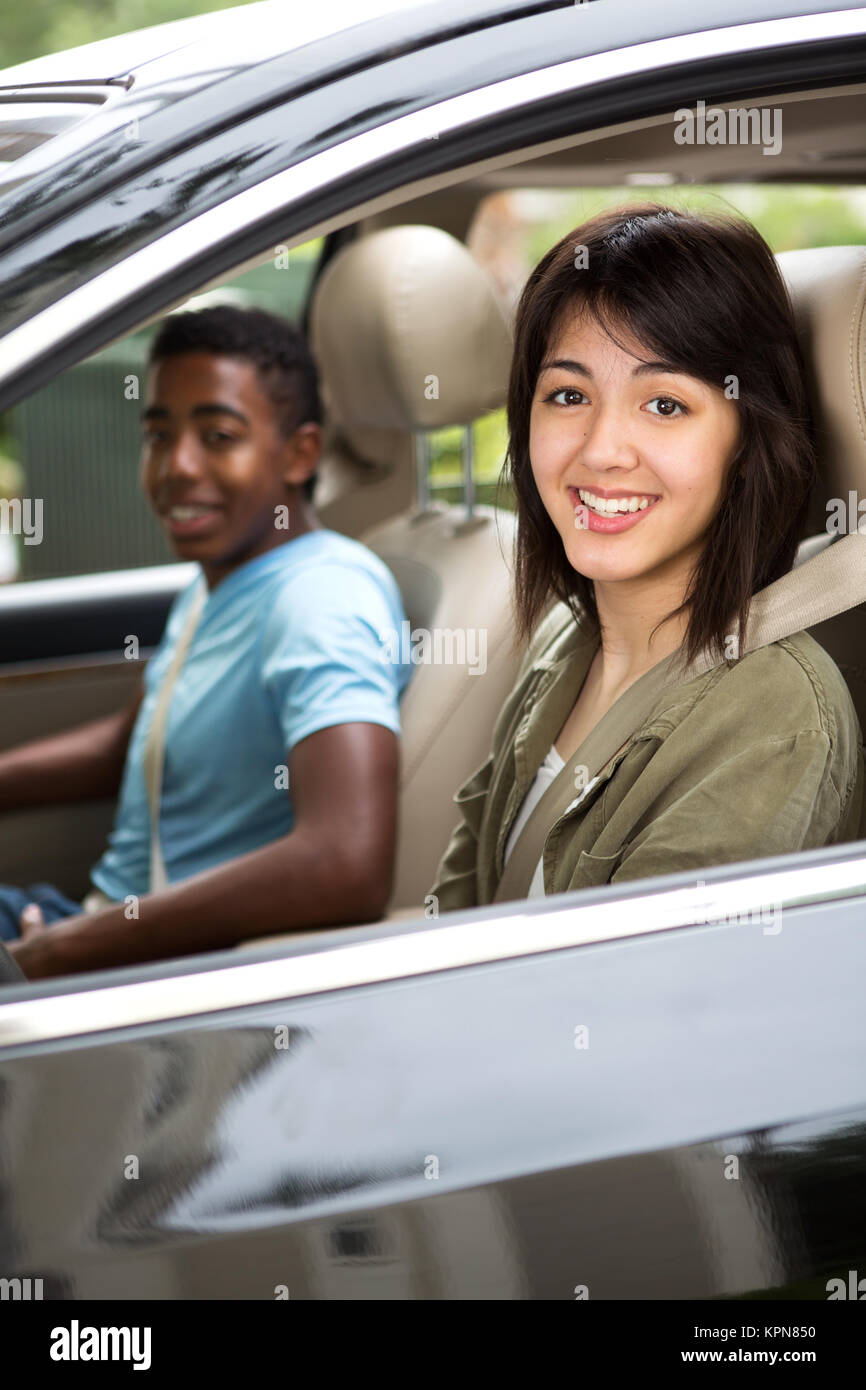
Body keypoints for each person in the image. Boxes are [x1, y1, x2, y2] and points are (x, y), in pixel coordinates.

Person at [431, 204, 864, 910]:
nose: (601, 450)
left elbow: (640, 1009)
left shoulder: (774, 719)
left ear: (749, 444)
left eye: (664, 405)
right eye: (568, 395)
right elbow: (455, 914)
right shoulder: (564, 641)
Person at [2, 306, 411, 977]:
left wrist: (54, 954)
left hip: (152, 965)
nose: (178, 466)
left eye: (218, 436)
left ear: (300, 454)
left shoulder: (320, 597)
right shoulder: (223, 578)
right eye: (158, 436)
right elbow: (129, 744)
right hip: (88, 919)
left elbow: (346, 861)